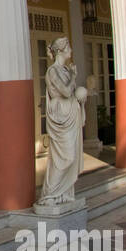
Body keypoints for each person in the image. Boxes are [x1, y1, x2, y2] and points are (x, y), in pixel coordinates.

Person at [39, 37, 86, 205]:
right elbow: (65, 91)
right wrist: (74, 77)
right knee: (65, 157)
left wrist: (81, 98)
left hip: (71, 113)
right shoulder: (53, 71)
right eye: (69, 48)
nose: (71, 51)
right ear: (61, 50)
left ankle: (64, 194)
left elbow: (72, 93)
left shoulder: (65, 70)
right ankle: (50, 194)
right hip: (61, 115)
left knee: (70, 156)